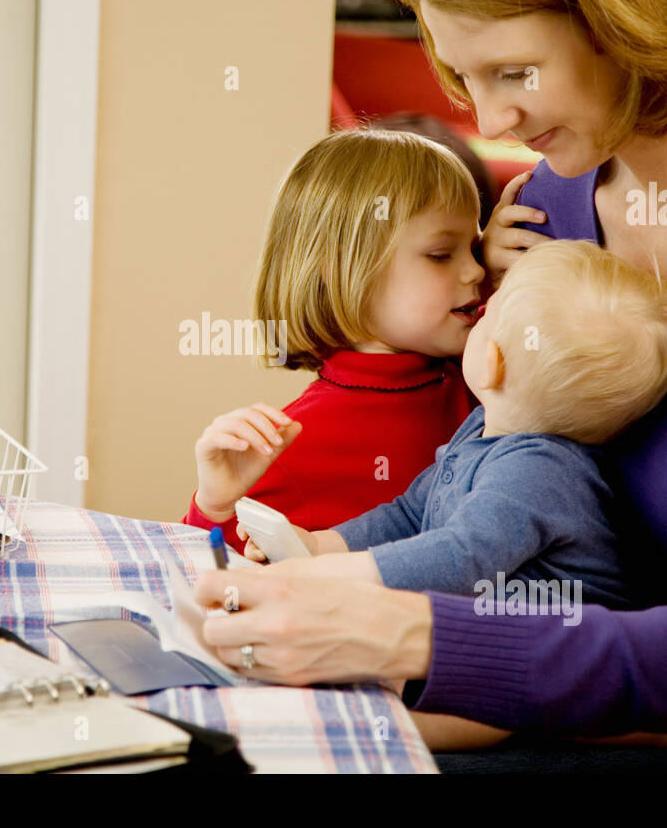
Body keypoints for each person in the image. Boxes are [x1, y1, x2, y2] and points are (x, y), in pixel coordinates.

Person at [194, 0, 667, 754]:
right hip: (521, 710)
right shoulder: (550, 202)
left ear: (620, 12)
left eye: (514, 71)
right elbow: (473, 437)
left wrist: (400, 629)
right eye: (462, 78)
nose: (489, 123)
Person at [262, 239, 667, 615]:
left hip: (561, 666)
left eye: (484, 317)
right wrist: (322, 545)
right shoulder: (481, 429)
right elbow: (410, 513)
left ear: (491, 363)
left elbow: (460, 558)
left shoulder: (536, 472)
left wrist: (337, 574)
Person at [182, 128, 483, 553]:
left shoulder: (483, 370)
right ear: (339, 268)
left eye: (477, 248)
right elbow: (207, 575)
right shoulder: (293, 444)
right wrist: (214, 506)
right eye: (441, 255)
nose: (475, 271)